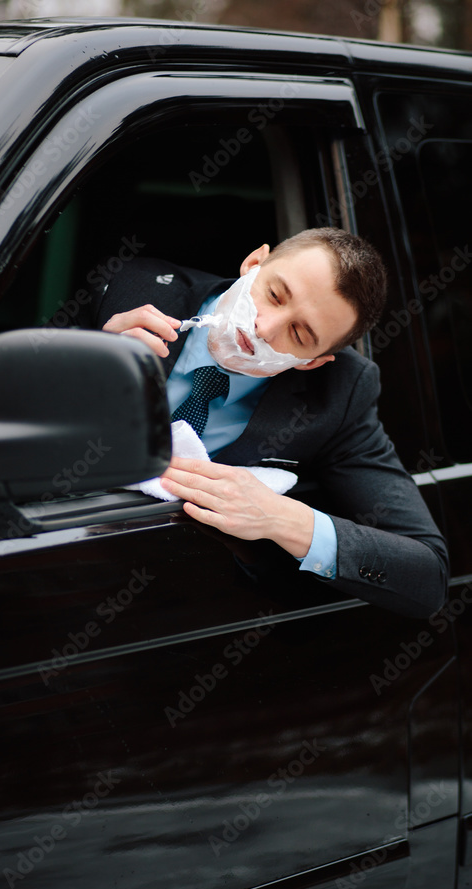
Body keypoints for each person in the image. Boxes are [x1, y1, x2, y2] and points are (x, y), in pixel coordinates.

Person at [76, 227, 448, 619]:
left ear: (313, 362)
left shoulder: (340, 394)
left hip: (181, 609)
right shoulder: (129, 286)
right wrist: (81, 371)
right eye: (274, 295)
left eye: (299, 334)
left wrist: (280, 518)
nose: (263, 328)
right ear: (254, 263)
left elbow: (428, 576)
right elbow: (7, 415)